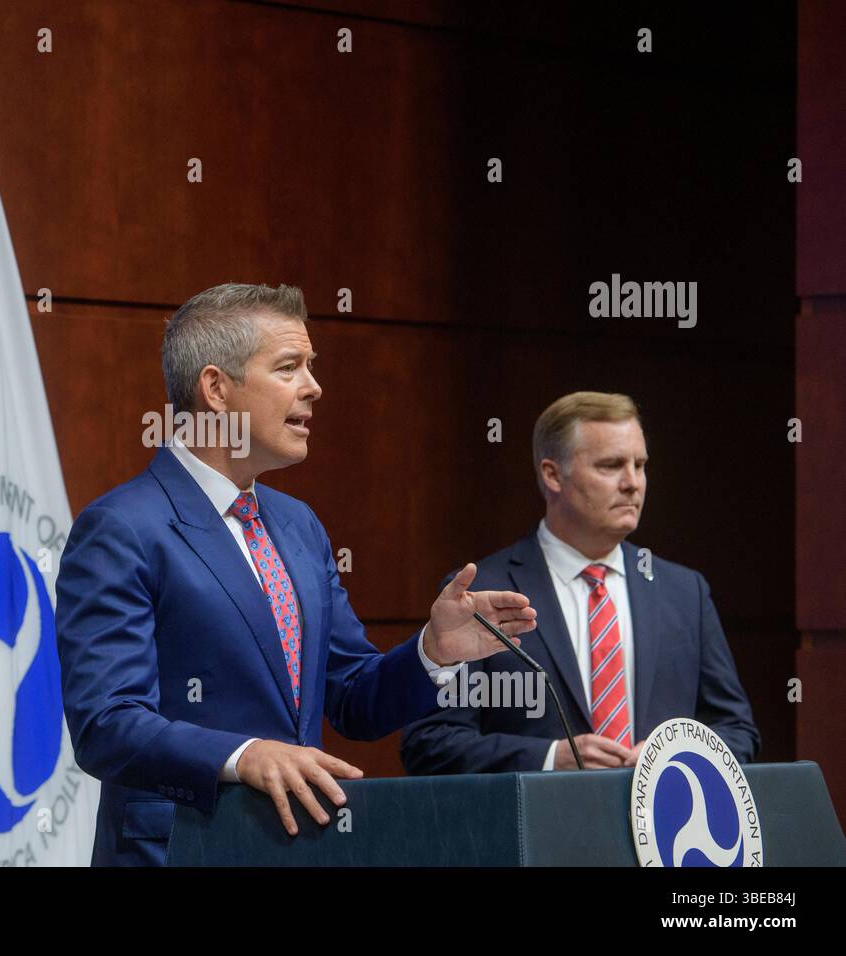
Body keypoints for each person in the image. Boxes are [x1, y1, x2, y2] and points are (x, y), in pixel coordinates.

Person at [55, 282, 538, 865]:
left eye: (311, 367)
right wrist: (245, 754)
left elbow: (354, 699)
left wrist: (432, 652)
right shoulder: (122, 528)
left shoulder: (297, 524)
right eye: (289, 368)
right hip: (179, 851)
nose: (314, 387)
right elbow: (107, 725)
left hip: (302, 851)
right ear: (215, 388)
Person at [399, 391, 760, 775]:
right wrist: (552, 758)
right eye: (611, 466)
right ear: (553, 475)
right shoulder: (481, 592)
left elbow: (737, 731)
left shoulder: (685, 593)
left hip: (660, 828)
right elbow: (432, 744)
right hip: (537, 828)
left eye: (640, 465)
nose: (633, 483)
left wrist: (678, 757)